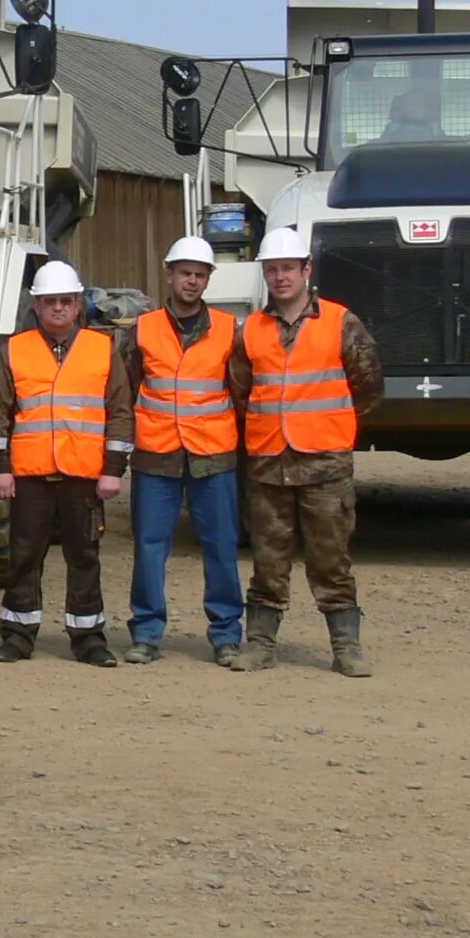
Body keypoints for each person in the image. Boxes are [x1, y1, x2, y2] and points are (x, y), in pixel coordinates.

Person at [236, 225, 383, 676]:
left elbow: (369, 386)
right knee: (267, 562)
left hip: (324, 464)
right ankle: (260, 645)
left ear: (306, 271)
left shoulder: (341, 322)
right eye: (272, 270)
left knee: (331, 560)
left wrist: (330, 426)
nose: (280, 277)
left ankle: (346, 649)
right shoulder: (251, 330)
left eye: (288, 269)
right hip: (268, 463)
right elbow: (241, 391)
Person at [0, 261, 131, 666]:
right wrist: (0, 465)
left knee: (84, 556)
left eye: (66, 300)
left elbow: (119, 412)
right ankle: (17, 636)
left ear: (79, 304)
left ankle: (88, 639)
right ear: (37, 304)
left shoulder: (103, 349)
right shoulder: (14, 349)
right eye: (50, 301)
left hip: (84, 475)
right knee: (24, 554)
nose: (59, 308)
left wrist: (113, 470)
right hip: (30, 475)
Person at [121, 236, 246, 664]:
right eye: (185, 272)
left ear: (209, 278)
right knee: (150, 546)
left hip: (213, 455)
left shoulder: (231, 331)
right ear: (168, 272)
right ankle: (147, 632)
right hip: (157, 453)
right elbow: (124, 391)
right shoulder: (142, 329)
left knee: (221, 545)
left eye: (200, 274)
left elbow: (244, 393)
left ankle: (227, 634)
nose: (191, 281)